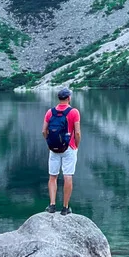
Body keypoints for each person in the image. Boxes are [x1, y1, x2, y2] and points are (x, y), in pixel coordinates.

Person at [42, 87, 81, 215]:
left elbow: (44, 131)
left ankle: (52, 205)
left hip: (53, 148)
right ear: (69, 98)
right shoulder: (74, 112)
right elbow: (78, 133)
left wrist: (49, 143)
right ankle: (65, 208)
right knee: (67, 176)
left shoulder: (50, 112)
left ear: (59, 98)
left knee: (53, 176)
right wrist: (76, 145)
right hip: (69, 147)